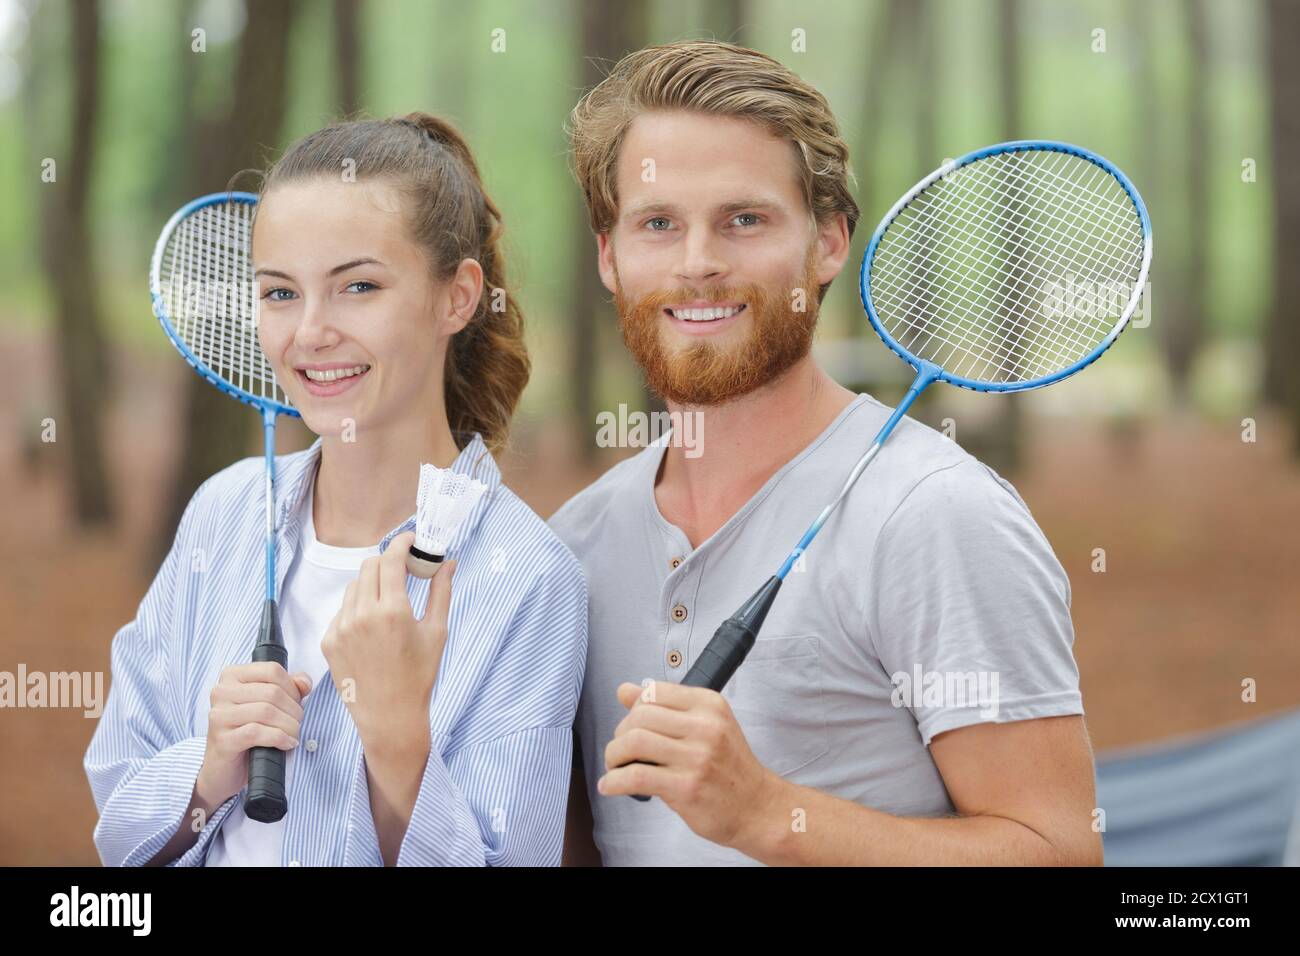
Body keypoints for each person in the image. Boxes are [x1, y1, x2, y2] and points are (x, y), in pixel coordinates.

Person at [552, 41, 1101, 866]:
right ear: (610, 257)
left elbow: (1058, 850)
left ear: (830, 243)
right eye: (658, 224)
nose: (698, 262)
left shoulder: (935, 515)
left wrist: (770, 815)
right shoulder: (574, 543)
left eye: (745, 219)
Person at [85, 113, 587, 867]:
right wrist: (207, 773)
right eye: (280, 294)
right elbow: (120, 839)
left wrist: (397, 743)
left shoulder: (529, 579)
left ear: (457, 298)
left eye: (358, 286)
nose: (311, 332)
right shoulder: (224, 514)